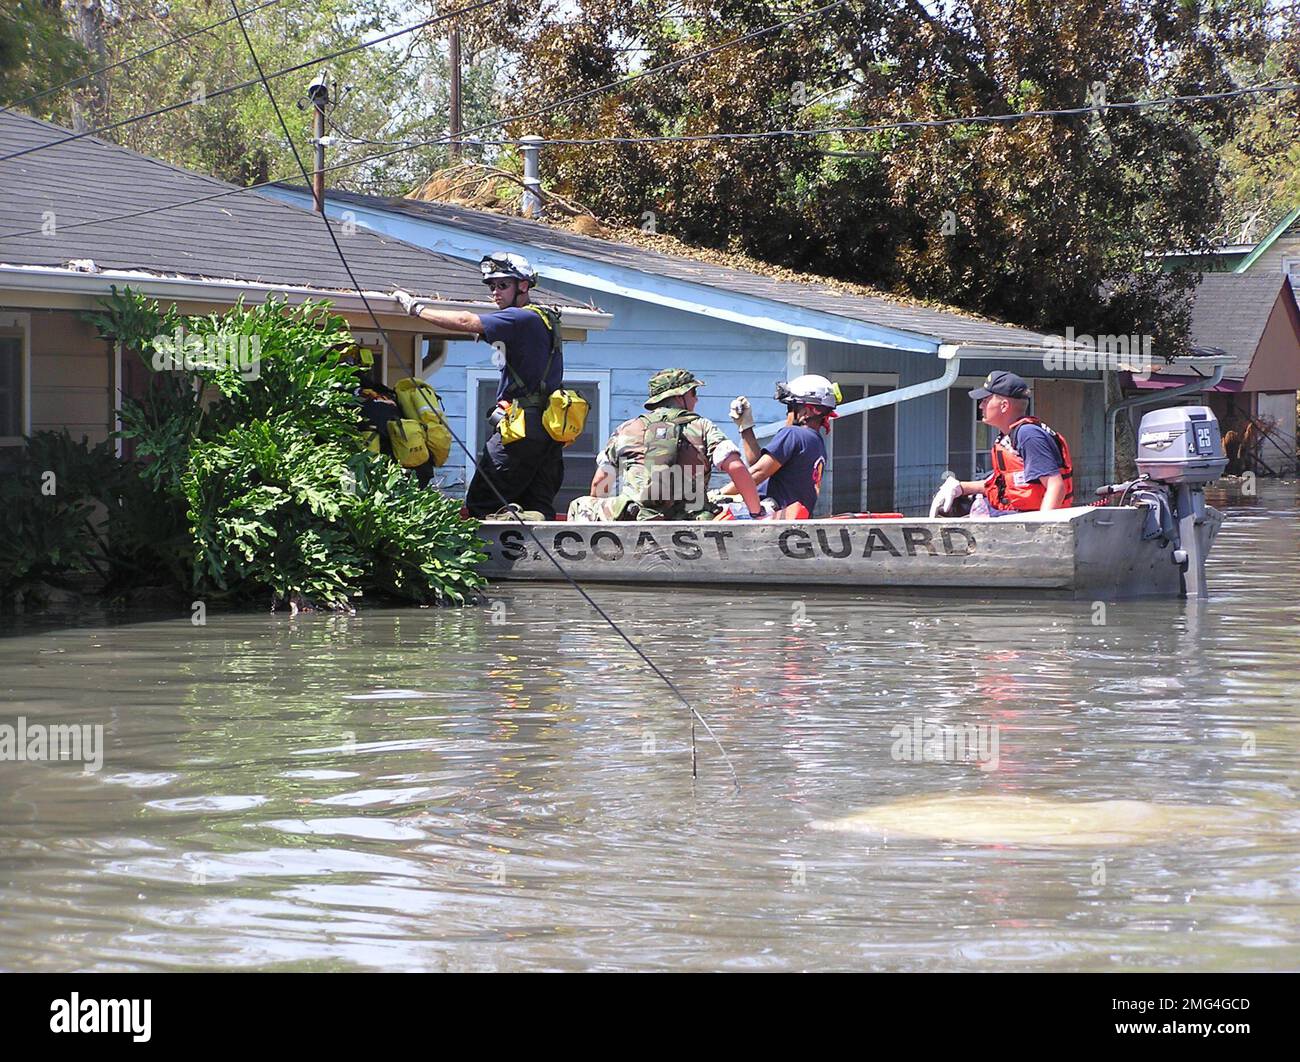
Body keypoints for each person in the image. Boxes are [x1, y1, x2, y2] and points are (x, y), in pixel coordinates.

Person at [394, 251, 564, 519]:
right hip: (547, 432)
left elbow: (465, 321)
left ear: (523, 285)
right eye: (492, 286)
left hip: (520, 432)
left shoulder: (519, 318)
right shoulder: (543, 319)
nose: (495, 292)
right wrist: (485, 333)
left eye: (503, 285)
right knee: (537, 508)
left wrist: (416, 309)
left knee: (482, 505)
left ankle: (485, 560)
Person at [568, 369, 764, 521]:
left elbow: (601, 482)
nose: (696, 399)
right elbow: (736, 467)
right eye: (693, 392)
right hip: (689, 517)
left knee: (580, 505)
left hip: (635, 518)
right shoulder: (702, 426)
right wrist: (757, 513)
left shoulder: (626, 429)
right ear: (680, 396)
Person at [930, 370, 1073, 517]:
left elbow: (1055, 486)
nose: (980, 406)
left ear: (1004, 406)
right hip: (1009, 514)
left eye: (986, 400)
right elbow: (1001, 485)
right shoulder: (1008, 436)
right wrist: (960, 487)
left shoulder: (1028, 435)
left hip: (1025, 523)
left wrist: (1043, 532)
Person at [718, 375, 838, 516]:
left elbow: (758, 473)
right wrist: (746, 427)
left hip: (771, 520)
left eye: (791, 407)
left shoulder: (793, 435)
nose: (787, 413)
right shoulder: (815, 442)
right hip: (788, 520)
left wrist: (719, 493)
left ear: (806, 411)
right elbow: (762, 466)